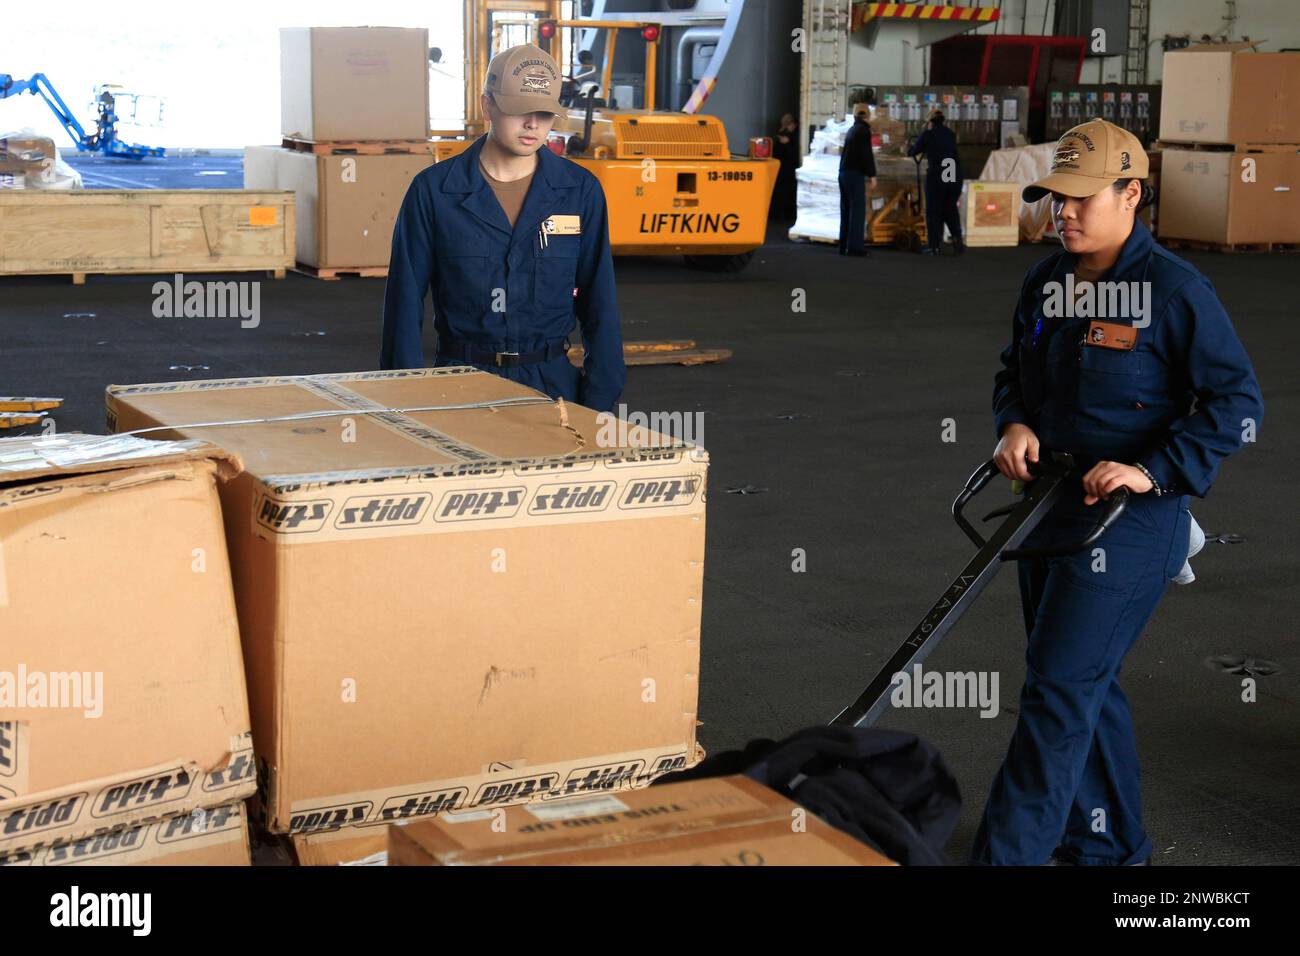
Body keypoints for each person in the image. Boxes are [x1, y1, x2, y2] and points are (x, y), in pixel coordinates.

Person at [973, 119, 1264, 866]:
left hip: (1131, 527)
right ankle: (1110, 850)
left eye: (1079, 198)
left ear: (1132, 194)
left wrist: (1156, 468)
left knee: (1056, 697)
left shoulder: (1174, 292)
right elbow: (1016, 371)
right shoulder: (1047, 281)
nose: (1061, 213)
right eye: (1053, 198)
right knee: (1079, 687)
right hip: (1048, 511)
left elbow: (1237, 402)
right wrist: (1012, 424)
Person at [380, 44, 625, 412]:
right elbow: (403, 300)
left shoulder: (579, 192)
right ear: (488, 105)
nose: (532, 125)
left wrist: (601, 397)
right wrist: (406, 400)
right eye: (519, 110)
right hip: (460, 387)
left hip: (553, 387)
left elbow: (599, 299)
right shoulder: (434, 192)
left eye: (544, 114)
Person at [907, 108, 964, 255]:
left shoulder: (928, 134)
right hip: (951, 171)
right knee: (950, 207)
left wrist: (909, 147)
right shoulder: (950, 134)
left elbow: (913, 151)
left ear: (930, 122)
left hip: (938, 172)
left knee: (933, 209)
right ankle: (958, 241)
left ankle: (934, 246)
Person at [838, 105, 877, 257]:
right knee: (857, 210)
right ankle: (855, 247)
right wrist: (872, 175)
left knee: (846, 210)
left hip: (843, 173)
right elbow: (866, 154)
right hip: (854, 174)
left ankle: (844, 246)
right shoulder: (864, 131)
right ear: (867, 116)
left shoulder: (852, 130)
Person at [771, 112, 800, 221]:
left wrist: (787, 143)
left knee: (790, 192)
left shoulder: (798, 135)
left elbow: (796, 154)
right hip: (782, 167)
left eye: (788, 123)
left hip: (791, 167)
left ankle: (788, 214)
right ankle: (779, 214)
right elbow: (776, 149)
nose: (786, 126)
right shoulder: (784, 133)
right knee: (780, 192)